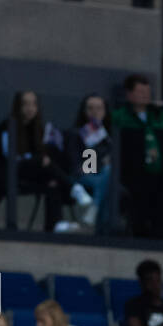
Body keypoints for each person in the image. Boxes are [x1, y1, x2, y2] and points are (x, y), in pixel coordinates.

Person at [0, 90, 84, 233]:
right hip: (16, 170)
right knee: (44, 163)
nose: (30, 108)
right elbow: (9, 154)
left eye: (33, 104)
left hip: (43, 172)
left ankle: (56, 223)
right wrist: (35, 160)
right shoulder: (9, 125)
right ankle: (73, 188)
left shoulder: (38, 129)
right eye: (25, 104)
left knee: (53, 181)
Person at [112, 73, 163, 238]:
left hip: (159, 173)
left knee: (162, 205)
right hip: (132, 173)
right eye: (140, 93)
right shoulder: (119, 116)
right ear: (129, 94)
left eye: (147, 93)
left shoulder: (159, 116)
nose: (145, 96)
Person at [66, 93, 112, 231]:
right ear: (84, 111)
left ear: (105, 111)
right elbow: (84, 165)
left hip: (105, 175)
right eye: (90, 108)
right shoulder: (76, 134)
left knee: (109, 175)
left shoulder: (110, 135)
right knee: (106, 181)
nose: (95, 112)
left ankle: (95, 208)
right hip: (84, 175)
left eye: (99, 108)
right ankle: (103, 231)